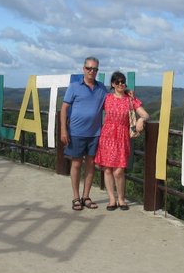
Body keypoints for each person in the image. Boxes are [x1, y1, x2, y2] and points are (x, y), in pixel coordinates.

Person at [94, 71, 150, 210]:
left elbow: (145, 114)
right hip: (107, 136)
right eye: (117, 82)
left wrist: (141, 119)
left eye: (123, 81)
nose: (121, 84)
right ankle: (112, 199)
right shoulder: (106, 98)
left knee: (119, 171)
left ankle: (121, 198)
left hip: (122, 137)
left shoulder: (130, 99)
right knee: (107, 170)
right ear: (112, 84)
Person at [60, 56, 107, 211]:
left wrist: (128, 93)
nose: (91, 71)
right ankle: (75, 197)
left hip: (95, 133)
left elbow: (114, 102)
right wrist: (63, 129)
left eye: (95, 69)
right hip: (76, 132)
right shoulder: (74, 86)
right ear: (83, 69)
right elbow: (64, 109)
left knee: (91, 164)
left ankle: (86, 196)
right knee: (76, 164)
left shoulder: (101, 88)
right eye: (89, 68)